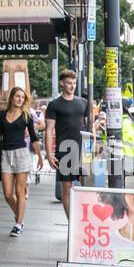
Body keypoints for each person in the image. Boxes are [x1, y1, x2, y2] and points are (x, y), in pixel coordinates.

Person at [0, 87, 41, 236]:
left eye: (22, 97)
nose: (20, 99)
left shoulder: (26, 115)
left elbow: (33, 138)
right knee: (7, 194)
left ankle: (18, 224)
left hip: (22, 155)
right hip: (6, 155)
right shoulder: (1, 115)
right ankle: (20, 216)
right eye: (17, 96)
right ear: (12, 98)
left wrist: (39, 156)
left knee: (20, 191)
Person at [45, 68, 91, 219]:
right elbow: (49, 130)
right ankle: (72, 223)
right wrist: (49, 154)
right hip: (64, 151)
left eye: (74, 83)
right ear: (62, 84)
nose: (72, 86)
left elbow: (90, 128)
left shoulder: (83, 102)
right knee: (66, 189)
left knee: (86, 187)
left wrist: (94, 147)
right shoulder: (54, 105)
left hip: (82, 151)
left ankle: (84, 220)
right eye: (69, 83)